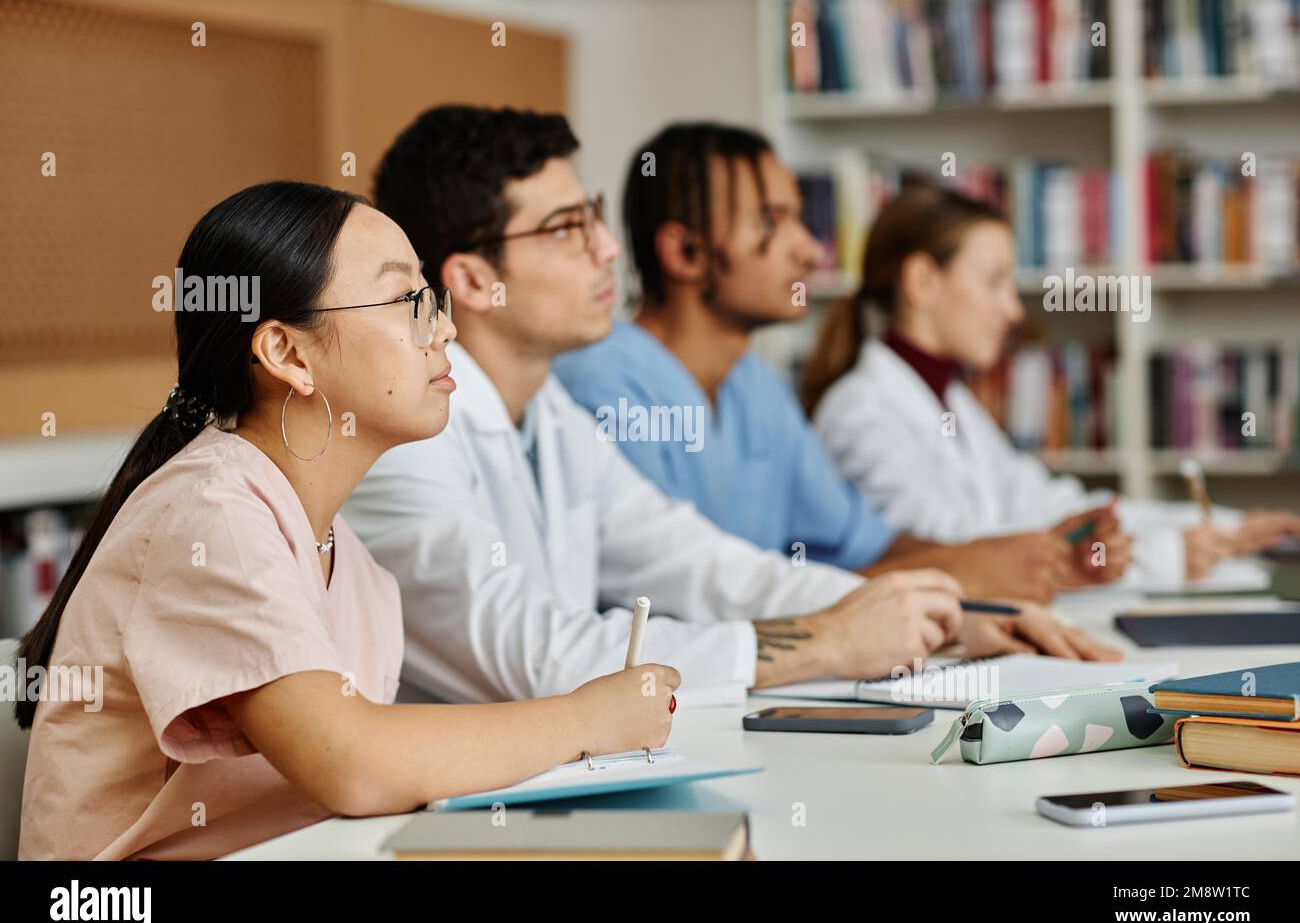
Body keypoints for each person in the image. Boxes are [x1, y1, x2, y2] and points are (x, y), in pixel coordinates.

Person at [344, 106, 1118, 713]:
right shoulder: (402, 441)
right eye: (567, 229)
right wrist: (824, 642)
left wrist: (942, 619)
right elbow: (540, 658)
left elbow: (704, 565)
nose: (610, 250)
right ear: (475, 281)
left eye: (597, 217)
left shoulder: (549, 415)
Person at [15, 181, 677, 861]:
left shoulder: (339, 547)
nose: (443, 328)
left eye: (432, 300)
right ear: (288, 355)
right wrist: (590, 718)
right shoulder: (212, 513)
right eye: (405, 301)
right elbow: (353, 763)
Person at [553, 122, 1130, 603]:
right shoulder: (601, 387)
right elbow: (693, 602)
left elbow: (867, 546)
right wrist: (957, 574)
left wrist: (1021, 559)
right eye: (771, 222)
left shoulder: (756, 386)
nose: (810, 247)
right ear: (684, 252)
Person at [802, 182, 1300, 585]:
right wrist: (1164, 555)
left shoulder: (949, 400)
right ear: (922, 282)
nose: (1012, 310)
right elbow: (961, 555)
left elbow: (1047, 505)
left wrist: (1220, 528)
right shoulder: (859, 414)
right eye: (994, 281)